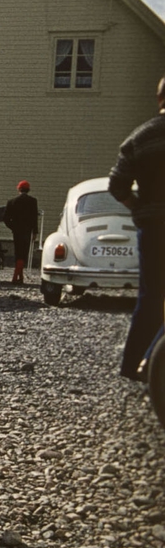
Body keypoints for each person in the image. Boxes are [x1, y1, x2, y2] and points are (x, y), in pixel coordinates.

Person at [109, 75, 165, 381]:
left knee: (151, 295)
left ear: (159, 100)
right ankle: (152, 359)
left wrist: (139, 207)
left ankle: (134, 364)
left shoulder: (140, 137)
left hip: (154, 225)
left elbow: (116, 184)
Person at [3, 180, 38, 283]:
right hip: (27, 231)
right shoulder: (33, 201)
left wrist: (13, 227)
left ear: (19, 189)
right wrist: (35, 231)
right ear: (28, 190)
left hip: (17, 231)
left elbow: (5, 217)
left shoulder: (12, 201)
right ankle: (17, 276)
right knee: (24, 252)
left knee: (18, 252)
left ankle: (18, 276)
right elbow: (34, 217)